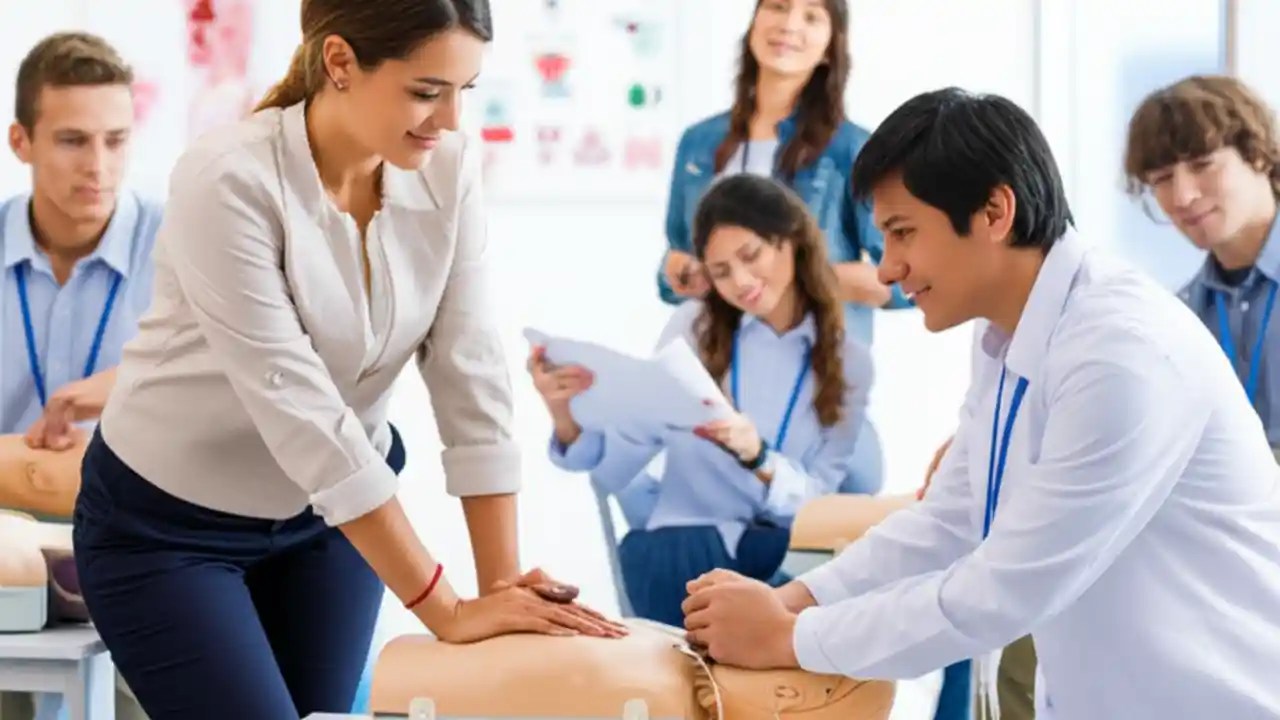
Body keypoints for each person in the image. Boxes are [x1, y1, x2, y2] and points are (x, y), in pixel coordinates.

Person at [70, 3, 624, 719]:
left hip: (327, 526)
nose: (451, 120)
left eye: (465, 90)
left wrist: (501, 590)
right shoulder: (227, 178)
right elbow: (302, 413)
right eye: (427, 91)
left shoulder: (447, 167)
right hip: (169, 530)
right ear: (339, 64)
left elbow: (470, 370)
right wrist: (447, 609)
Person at [680, 87, 1280, 720]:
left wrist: (790, 638)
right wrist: (796, 600)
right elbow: (951, 517)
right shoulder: (1008, 334)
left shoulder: (1121, 352)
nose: (886, 270)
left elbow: (1005, 589)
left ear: (995, 212)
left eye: (902, 233)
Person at [531, 173, 871, 627]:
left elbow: (819, 505)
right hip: (686, 549)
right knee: (664, 562)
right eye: (722, 271)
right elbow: (626, 460)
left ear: (790, 240)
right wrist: (566, 417)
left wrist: (759, 457)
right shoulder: (693, 328)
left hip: (783, 555)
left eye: (751, 256)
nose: (742, 281)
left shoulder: (850, 361)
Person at [656, 0, 908, 498]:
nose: (790, 24)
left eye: (812, 15)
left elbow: (904, 280)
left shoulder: (852, 150)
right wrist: (682, 270)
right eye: (777, 6)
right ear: (753, 22)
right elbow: (672, 270)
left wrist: (806, 277)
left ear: (830, 44)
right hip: (719, 393)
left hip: (813, 397)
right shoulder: (700, 143)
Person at [0, 31, 162, 720]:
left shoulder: (185, 244)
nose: (99, 166)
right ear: (21, 141)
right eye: (72, 140)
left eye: (116, 140)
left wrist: (127, 379)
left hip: (146, 533)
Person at [1125, 75, 1280, 461]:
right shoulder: (1178, 318)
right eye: (1162, 179)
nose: (1183, 196)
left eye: (1203, 165)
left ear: (1258, 154)